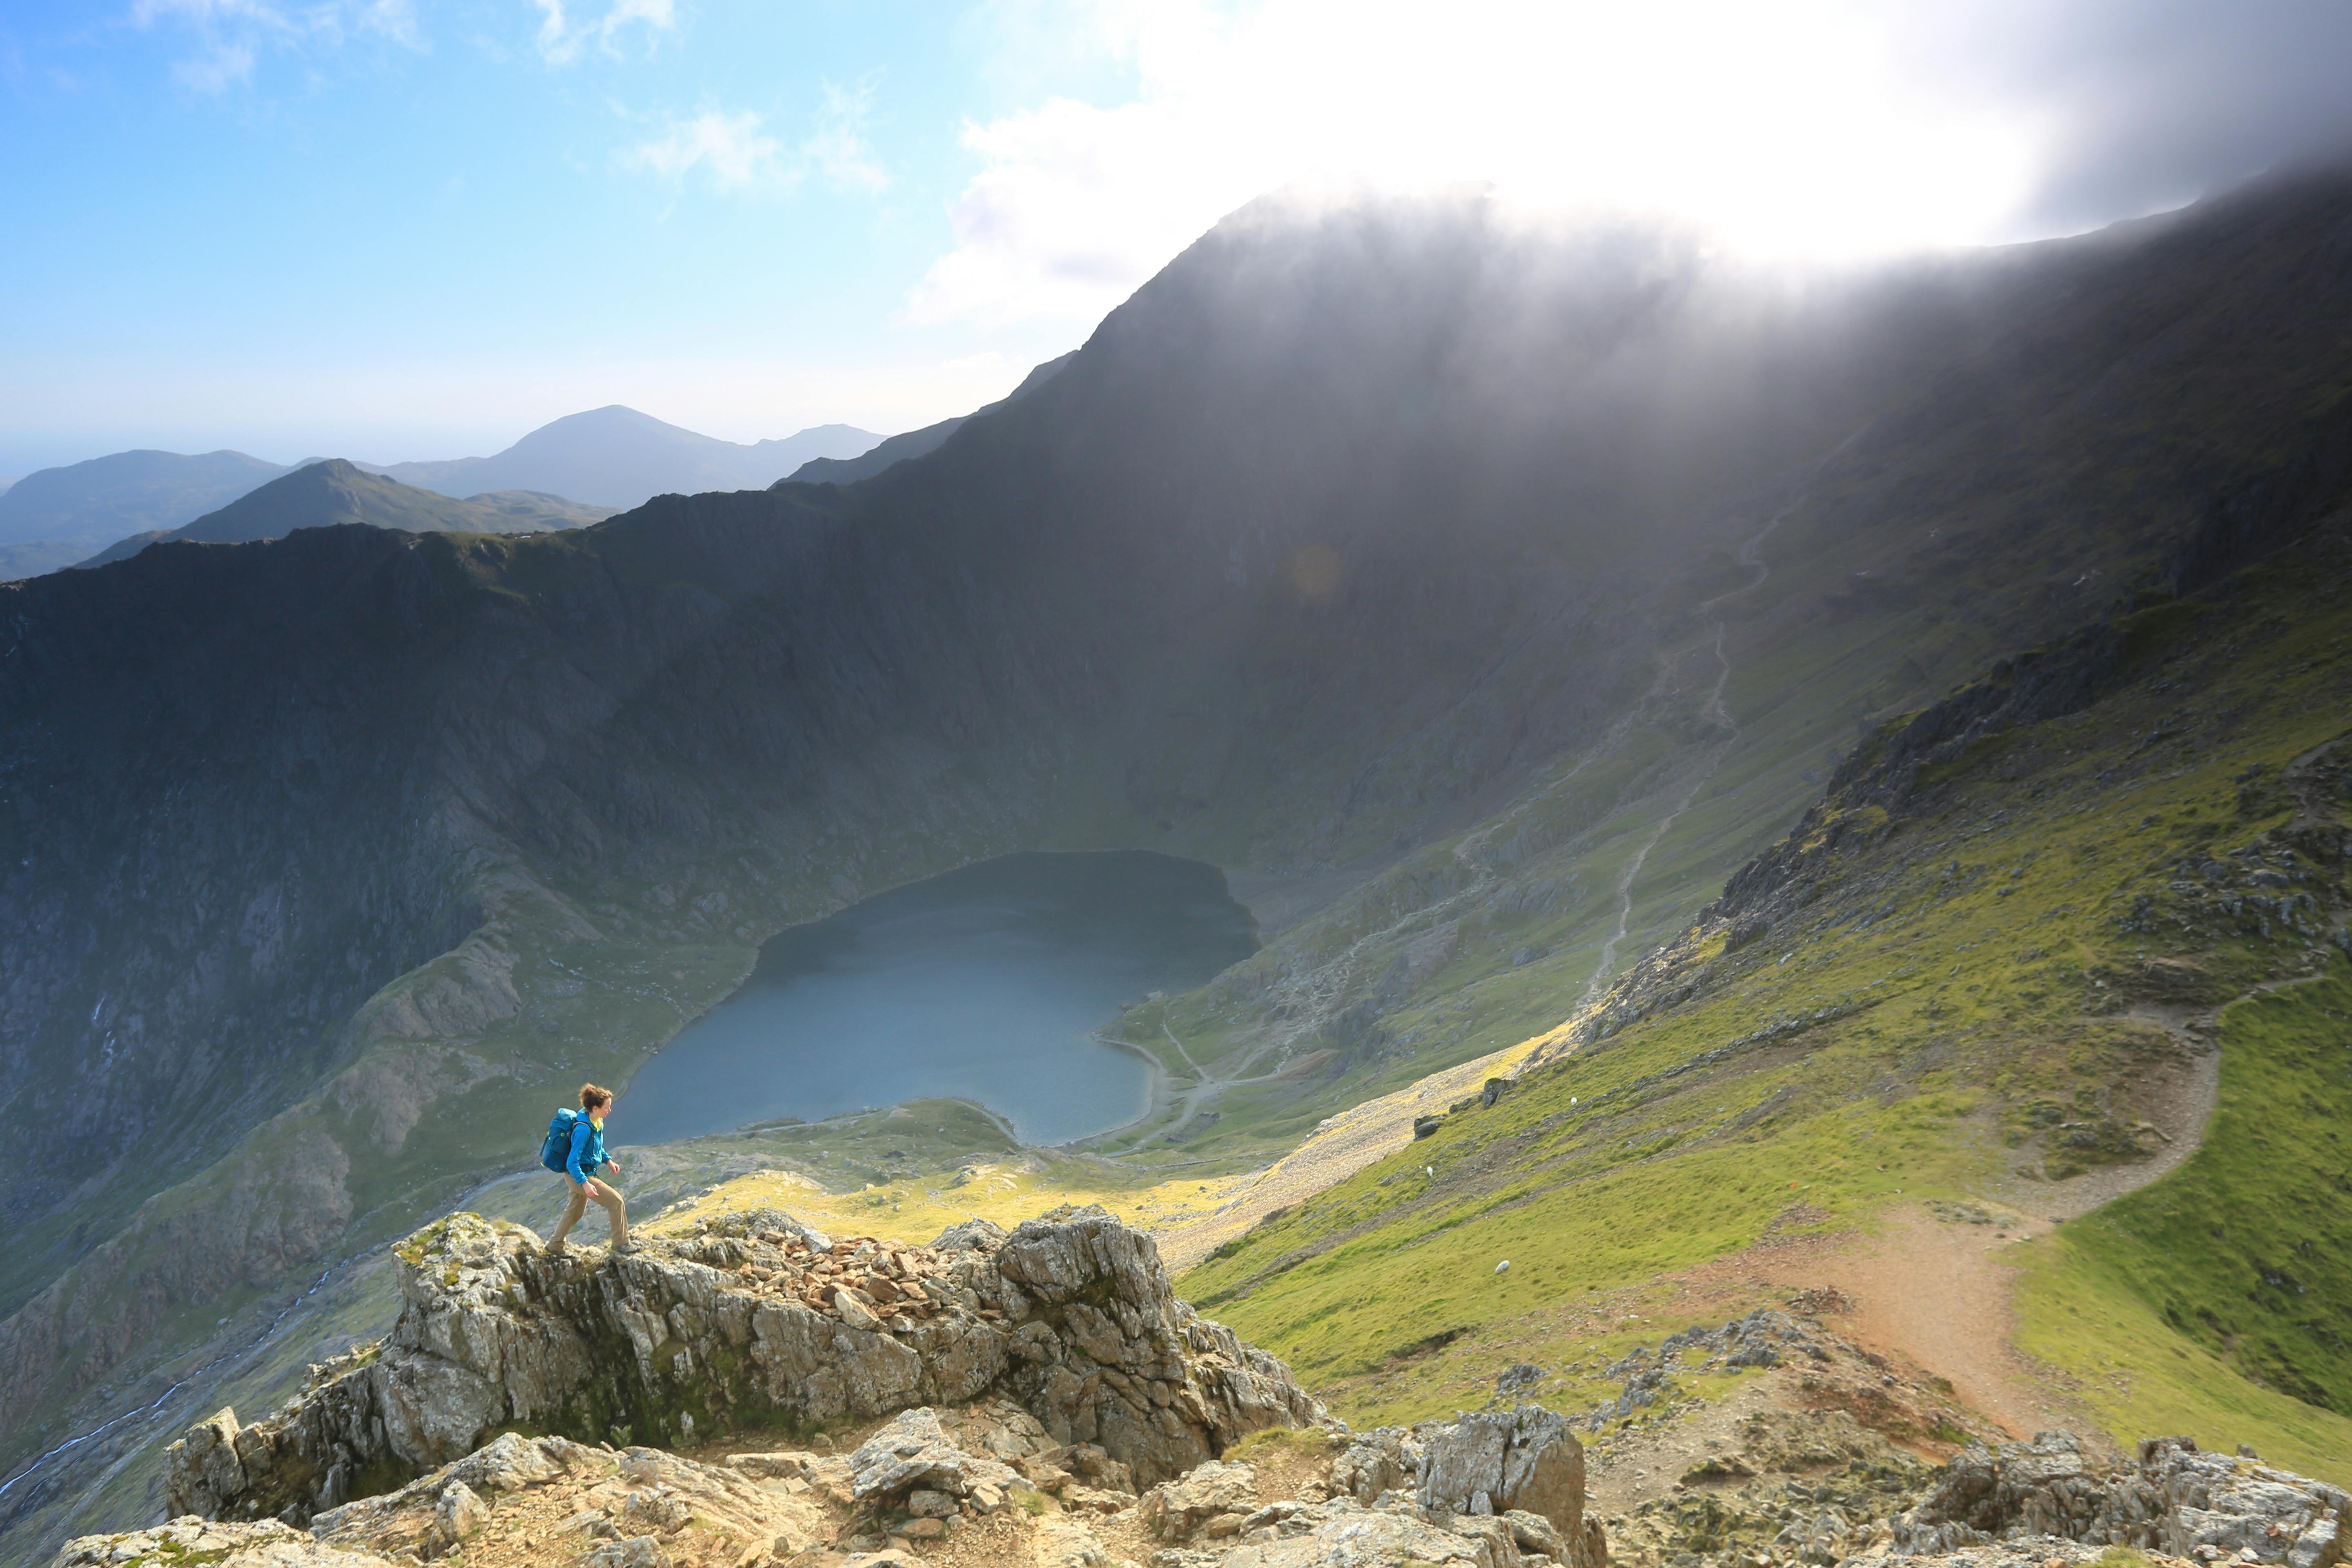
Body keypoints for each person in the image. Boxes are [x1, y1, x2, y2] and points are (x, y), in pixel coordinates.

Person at [549, 1083, 630, 1252]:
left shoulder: (596, 1122)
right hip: (577, 1176)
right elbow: (572, 1162)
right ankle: (621, 1244)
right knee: (616, 1202)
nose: (610, 1110)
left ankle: (554, 1246)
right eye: (607, 1107)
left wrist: (608, 1161)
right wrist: (585, 1183)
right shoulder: (583, 1130)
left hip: (583, 1174)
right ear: (595, 1107)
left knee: (575, 1212)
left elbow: (596, 1147)